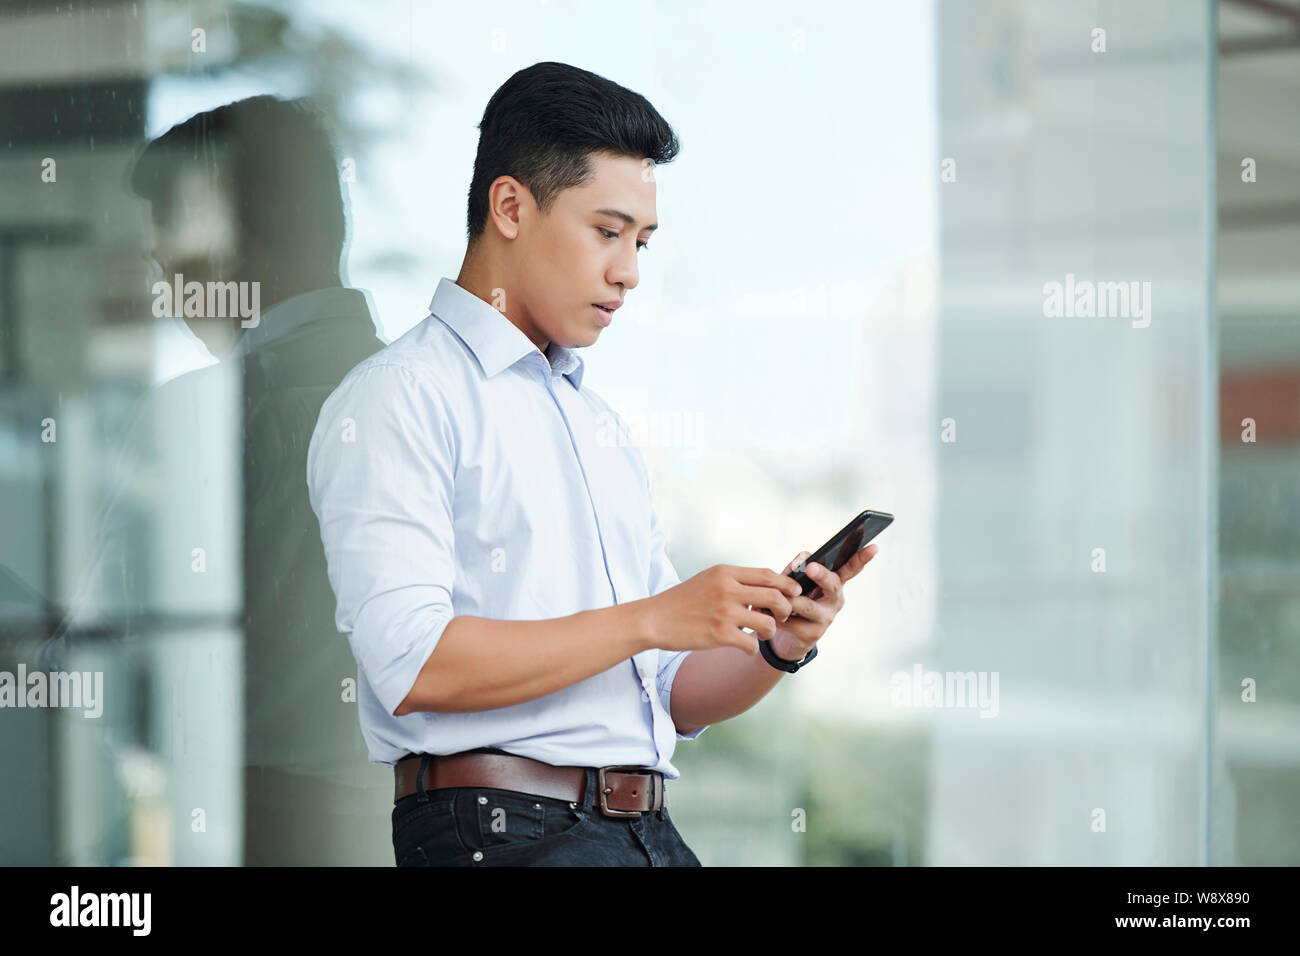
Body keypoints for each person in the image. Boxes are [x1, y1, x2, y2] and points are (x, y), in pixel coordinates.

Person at [306, 61, 878, 867]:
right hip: (501, 833)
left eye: (641, 242)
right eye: (606, 232)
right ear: (510, 206)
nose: (629, 272)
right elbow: (411, 660)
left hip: (643, 831)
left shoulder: (595, 423)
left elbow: (672, 695)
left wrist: (777, 646)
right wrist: (652, 618)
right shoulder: (400, 397)